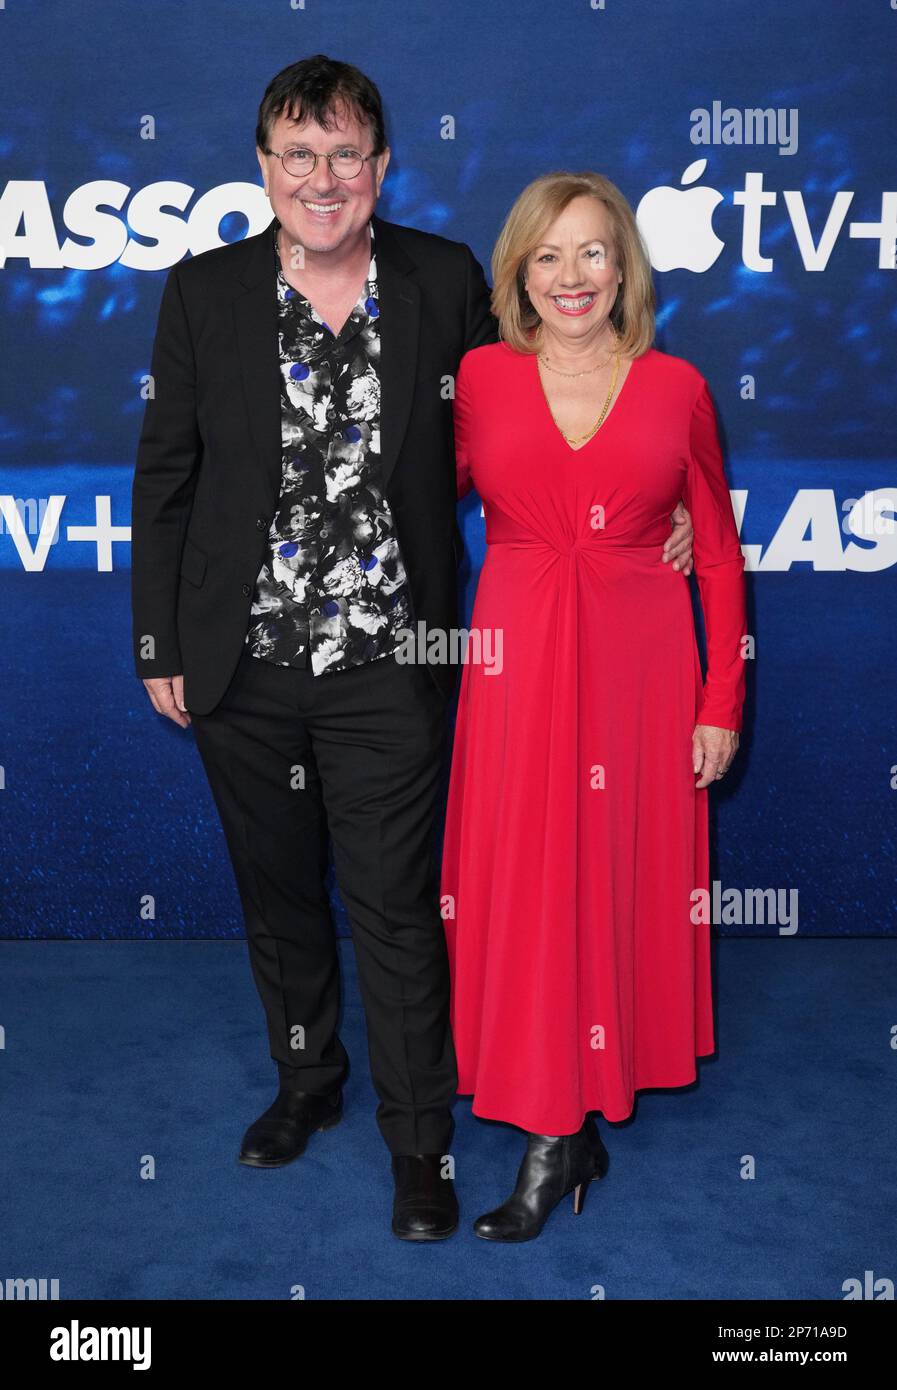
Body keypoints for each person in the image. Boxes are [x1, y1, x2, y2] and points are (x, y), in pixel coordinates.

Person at [131, 54, 695, 1241]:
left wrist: (664, 504)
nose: (322, 178)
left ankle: (419, 1143)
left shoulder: (444, 281)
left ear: (382, 167)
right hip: (240, 662)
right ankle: (305, 1086)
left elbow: (563, 376)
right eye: (299, 155)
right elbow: (167, 478)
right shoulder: (202, 292)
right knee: (278, 898)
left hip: (400, 661)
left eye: (346, 155)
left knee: (397, 907)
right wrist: (157, 641)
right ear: (265, 168)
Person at [440, 171, 747, 1242]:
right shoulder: (476, 378)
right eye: (549, 256)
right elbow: (416, 509)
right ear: (519, 273)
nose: (572, 277)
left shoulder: (678, 390)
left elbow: (714, 546)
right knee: (531, 884)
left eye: (593, 253)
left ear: (626, 266)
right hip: (517, 660)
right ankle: (557, 1122)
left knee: (610, 875)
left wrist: (722, 699)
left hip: (642, 668)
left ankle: (564, 1124)